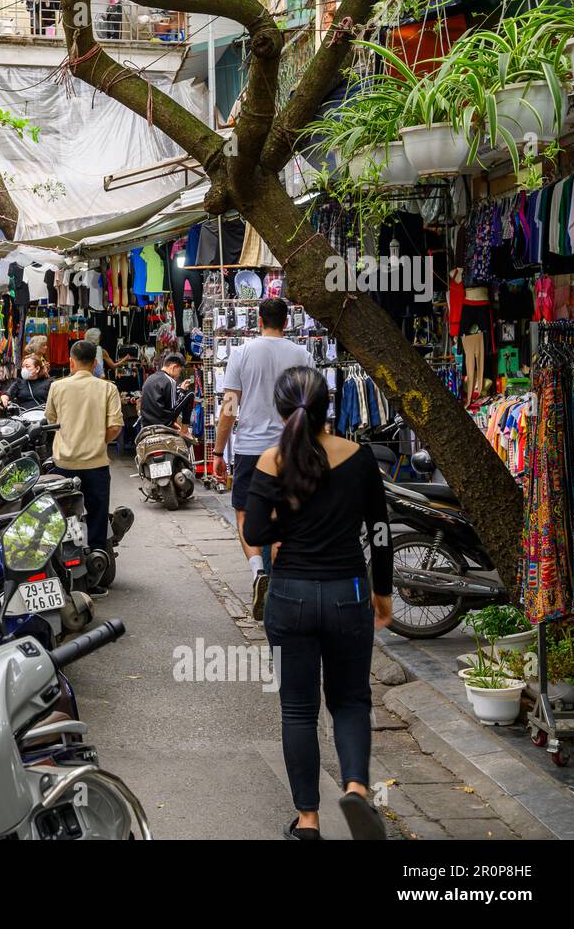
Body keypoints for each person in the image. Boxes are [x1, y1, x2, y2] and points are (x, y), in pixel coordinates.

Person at [241, 366, 393, 841]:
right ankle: (356, 789)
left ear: (281, 409)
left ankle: (308, 820)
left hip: (290, 597)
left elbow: (255, 533)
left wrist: (285, 532)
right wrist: (382, 594)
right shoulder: (361, 457)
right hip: (349, 593)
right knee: (350, 700)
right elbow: (381, 533)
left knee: (298, 710)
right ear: (328, 406)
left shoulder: (272, 461)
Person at [212, 297, 312, 619]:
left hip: (251, 449)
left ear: (258, 319)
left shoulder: (241, 353)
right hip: (290, 448)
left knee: (244, 512)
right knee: (284, 514)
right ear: (287, 321)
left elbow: (229, 409)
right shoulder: (302, 355)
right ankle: (281, 583)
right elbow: (311, 407)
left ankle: (258, 572)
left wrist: (217, 451)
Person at [44, 339, 123, 595]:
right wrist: (97, 442)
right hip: (96, 464)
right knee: (98, 519)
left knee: (67, 518)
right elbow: (115, 427)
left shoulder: (57, 387)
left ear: (71, 361)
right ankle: (96, 577)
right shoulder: (107, 388)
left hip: (63, 464)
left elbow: (51, 421)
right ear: (96, 363)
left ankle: (67, 571)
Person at [138, 352, 193, 436]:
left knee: (180, 391)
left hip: (146, 425)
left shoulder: (150, 378)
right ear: (174, 367)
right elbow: (172, 409)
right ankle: (185, 431)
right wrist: (182, 391)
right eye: (180, 371)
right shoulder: (170, 381)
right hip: (163, 423)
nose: (179, 375)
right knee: (190, 395)